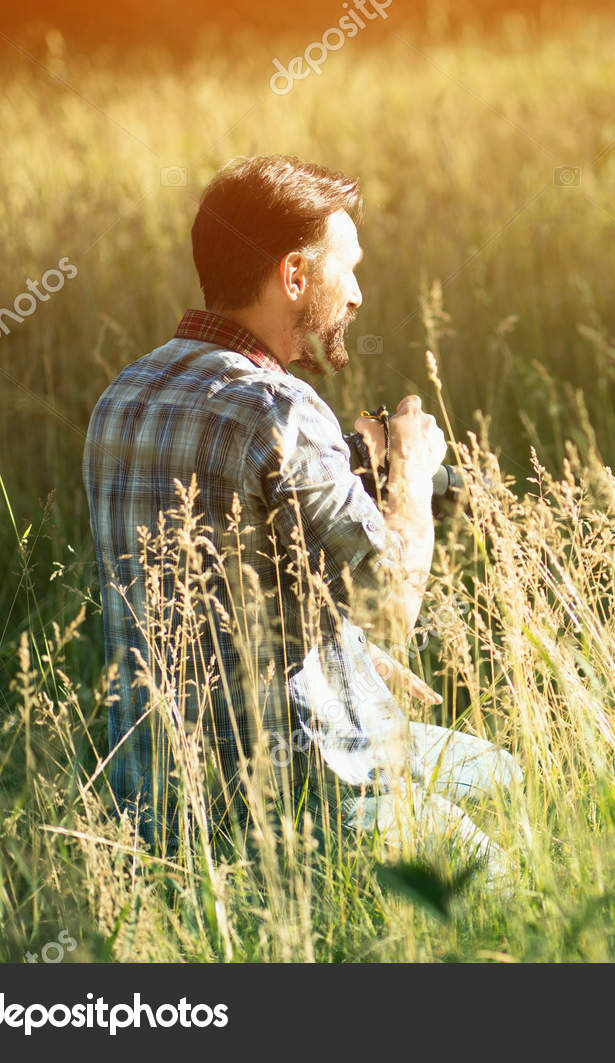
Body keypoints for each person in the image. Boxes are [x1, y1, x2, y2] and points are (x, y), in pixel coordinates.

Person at [83, 154, 517, 872]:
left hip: (157, 799)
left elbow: (214, 588)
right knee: (516, 815)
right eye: (346, 268)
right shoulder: (277, 408)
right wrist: (408, 464)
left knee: (490, 772)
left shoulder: (122, 395)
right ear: (294, 276)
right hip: (302, 800)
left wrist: (345, 651)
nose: (357, 293)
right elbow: (394, 606)